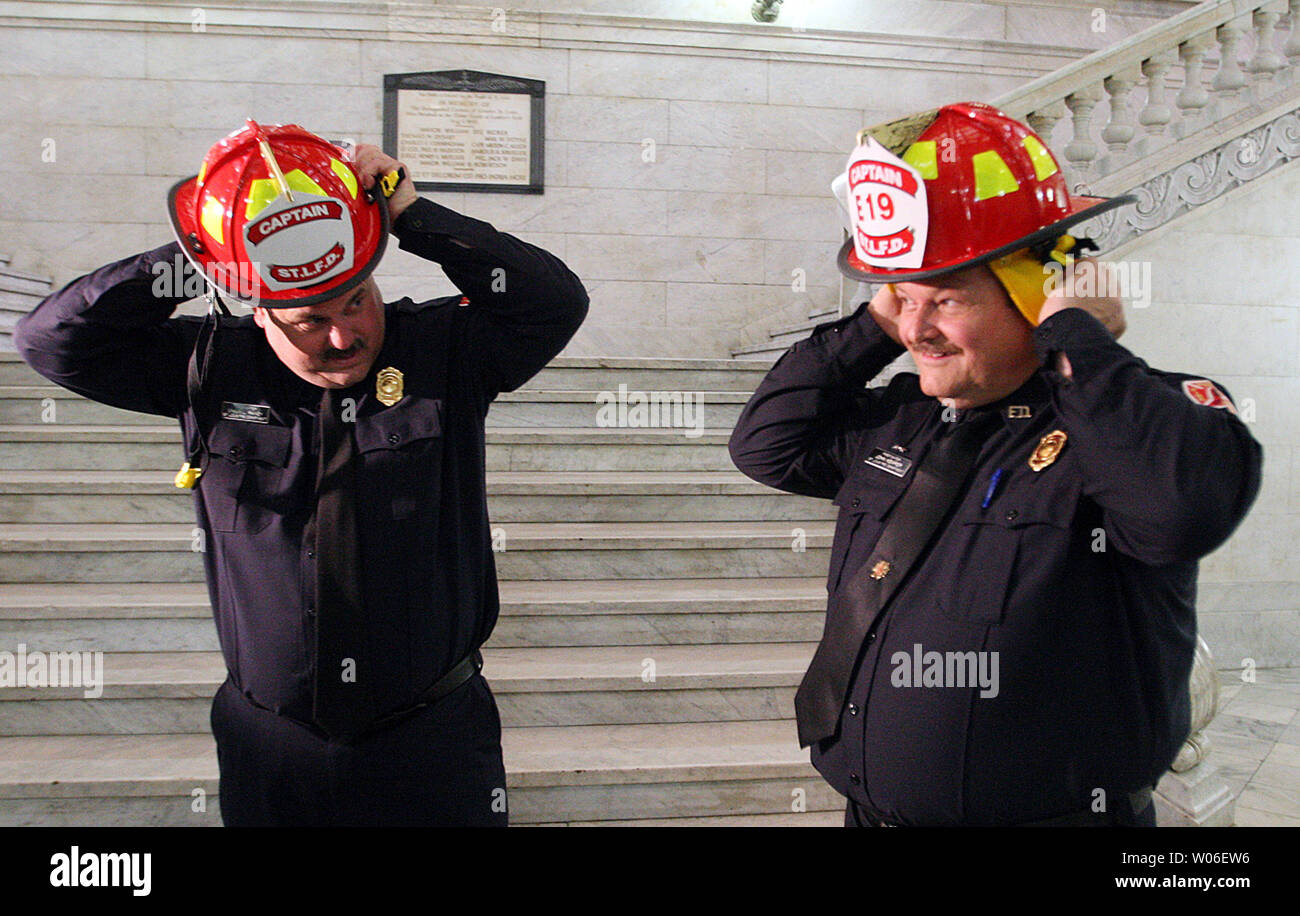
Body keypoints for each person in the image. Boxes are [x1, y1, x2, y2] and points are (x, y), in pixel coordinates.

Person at [15, 121, 589, 826]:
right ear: (258, 310)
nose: (346, 336)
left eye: (358, 302)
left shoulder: (445, 352)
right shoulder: (209, 365)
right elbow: (51, 341)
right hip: (271, 749)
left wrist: (411, 216)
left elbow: (553, 302)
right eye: (311, 321)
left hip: (431, 745)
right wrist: (207, 252)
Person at [728, 102, 1262, 827]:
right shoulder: (904, 419)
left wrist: (1077, 335)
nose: (916, 328)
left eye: (944, 299)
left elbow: (1180, 509)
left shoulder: (1138, 426)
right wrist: (876, 326)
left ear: (1037, 293)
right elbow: (766, 443)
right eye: (901, 299)